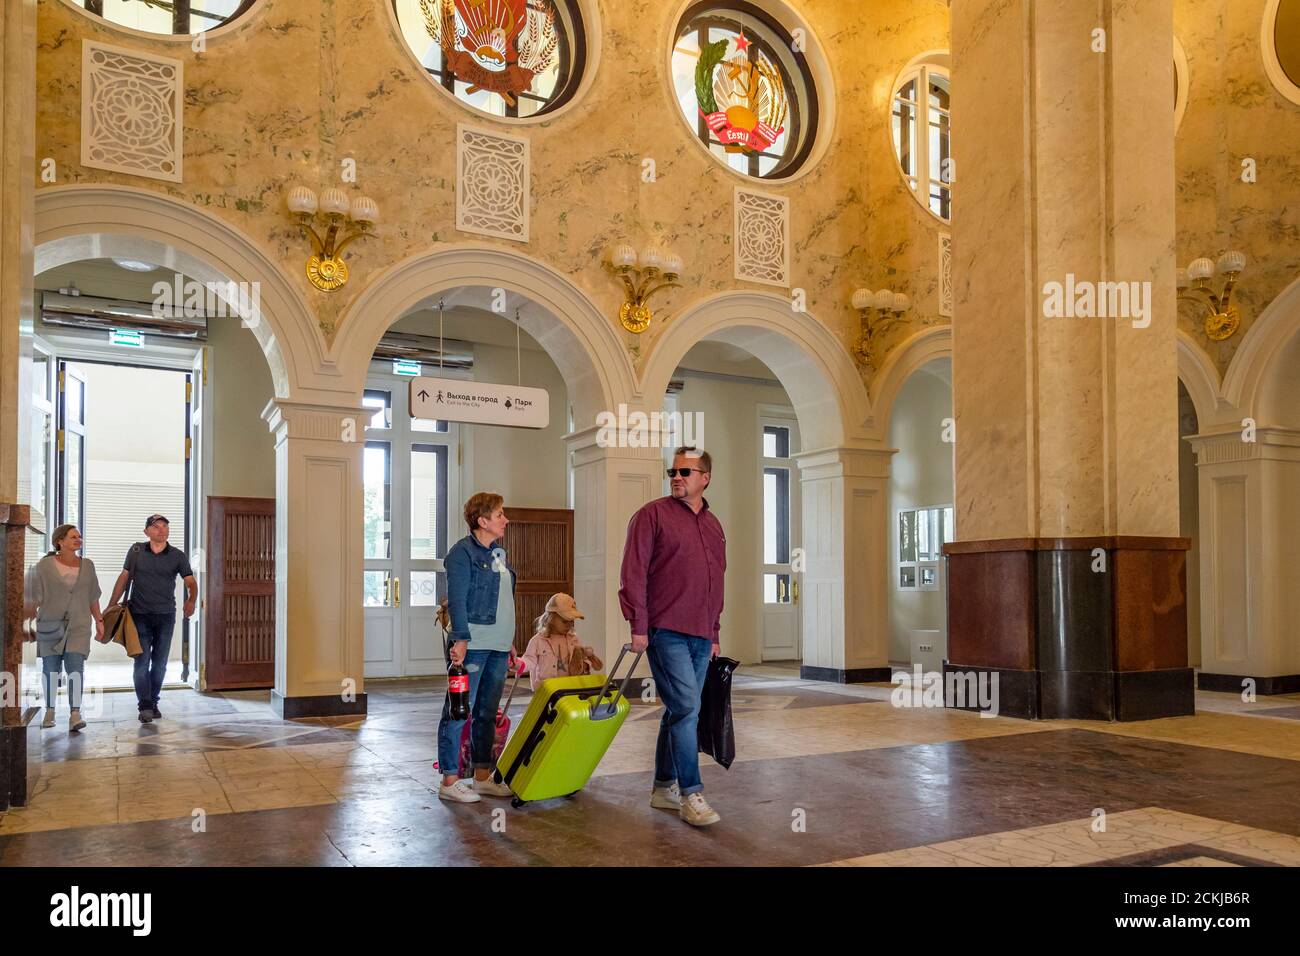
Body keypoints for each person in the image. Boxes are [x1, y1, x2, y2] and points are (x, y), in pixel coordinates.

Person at [619, 445, 726, 827]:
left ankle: (663, 786)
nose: (677, 478)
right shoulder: (651, 516)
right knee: (687, 710)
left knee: (679, 710)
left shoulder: (713, 525)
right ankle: (691, 793)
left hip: (700, 634)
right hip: (666, 631)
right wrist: (638, 625)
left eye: (686, 472)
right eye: (673, 472)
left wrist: (714, 632)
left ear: (705, 478)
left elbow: (716, 580)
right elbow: (633, 572)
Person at [437, 492, 518, 803]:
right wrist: (460, 638)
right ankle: (449, 780)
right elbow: (456, 600)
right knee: (458, 712)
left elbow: (502, 601)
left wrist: (509, 640)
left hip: (497, 646)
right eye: (499, 515)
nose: (505, 520)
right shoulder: (461, 554)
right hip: (472, 646)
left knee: (486, 713)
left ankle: (482, 776)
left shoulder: (499, 553)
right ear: (482, 521)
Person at [106, 514, 197, 724]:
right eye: (156, 527)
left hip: (166, 616)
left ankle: (153, 701)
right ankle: (145, 705)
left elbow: (191, 582)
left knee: (160, 664)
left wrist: (191, 600)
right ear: (146, 531)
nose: (162, 530)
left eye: (165, 526)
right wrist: (112, 603)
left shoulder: (177, 556)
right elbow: (124, 577)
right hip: (139, 615)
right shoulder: (136, 551)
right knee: (141, 661)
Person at [23, 524, 104, 732]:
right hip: (49, 625)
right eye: (73, 536)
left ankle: (75, 714)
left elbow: (93, 596)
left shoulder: (88, 565)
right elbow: (32, 597)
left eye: (79, 536)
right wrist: (24, 624)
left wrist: (99, 621)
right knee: (50, 670)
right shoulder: (44, 566)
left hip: (79, 625)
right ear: (60, 541)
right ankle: (49, 710)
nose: (78, 539)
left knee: (76, 668)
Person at [519, 593, 603, 691]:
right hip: (545, 691)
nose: (569, 625)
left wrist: (585, 665)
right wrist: (519, 664)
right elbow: (529, 660)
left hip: (569, 689)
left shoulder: (574, 639)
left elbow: (582, 659)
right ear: (550, 619)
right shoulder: (537, 641)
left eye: (571, 621)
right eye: (564, 621)